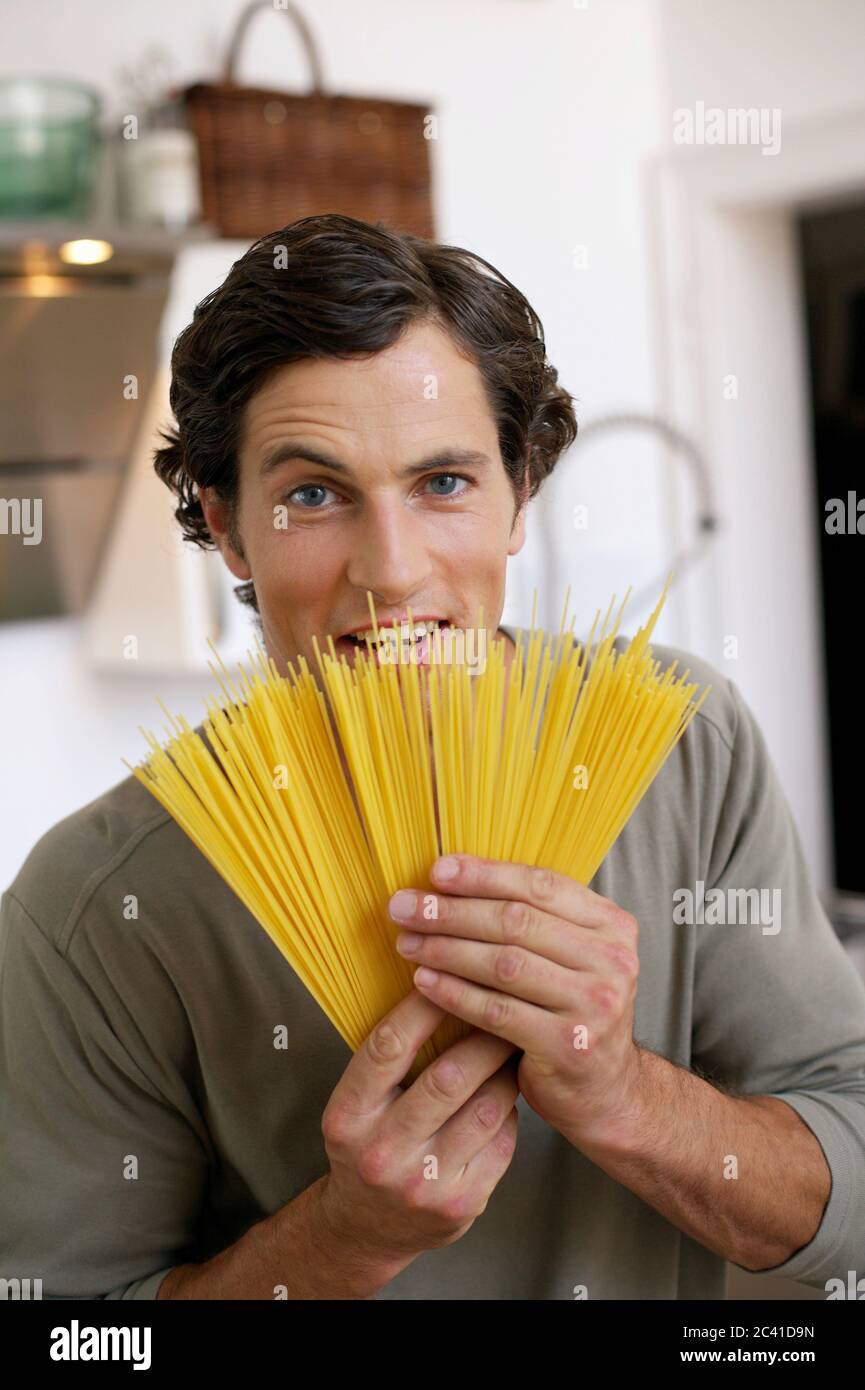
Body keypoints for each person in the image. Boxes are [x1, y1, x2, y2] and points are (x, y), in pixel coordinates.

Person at [2, 214, 864, 1301]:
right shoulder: (93, 906)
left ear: (519, 493)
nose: (392, 569)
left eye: (444, 483)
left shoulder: (684, 739)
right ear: (226, 527)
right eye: (312, 494)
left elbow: (852, 1193)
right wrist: (340, 1242)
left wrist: (625, 1098)